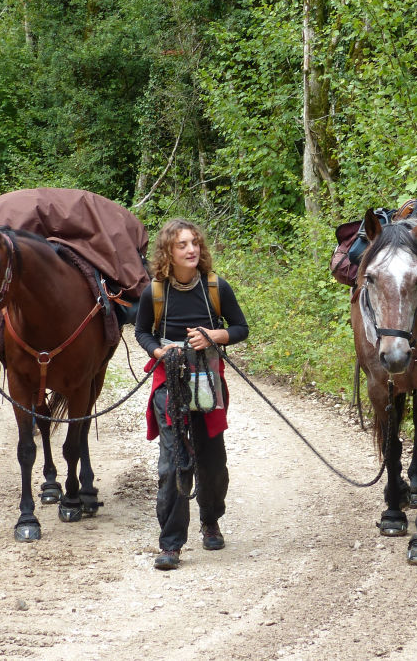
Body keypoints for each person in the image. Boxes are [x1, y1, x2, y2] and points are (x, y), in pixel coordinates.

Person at [134, 219, 249, 571]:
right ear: (169, 251)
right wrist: (158, 353)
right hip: (169, 385)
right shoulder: (154, 292)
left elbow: (240, 328)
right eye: (183, 244)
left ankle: (210, 519)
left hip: (208, 383)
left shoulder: (216, 286)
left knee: (212, 461)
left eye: (195, 243)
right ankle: (170, 544)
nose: (191, 250)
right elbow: (142, 332)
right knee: (172, 465)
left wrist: (213, 336)